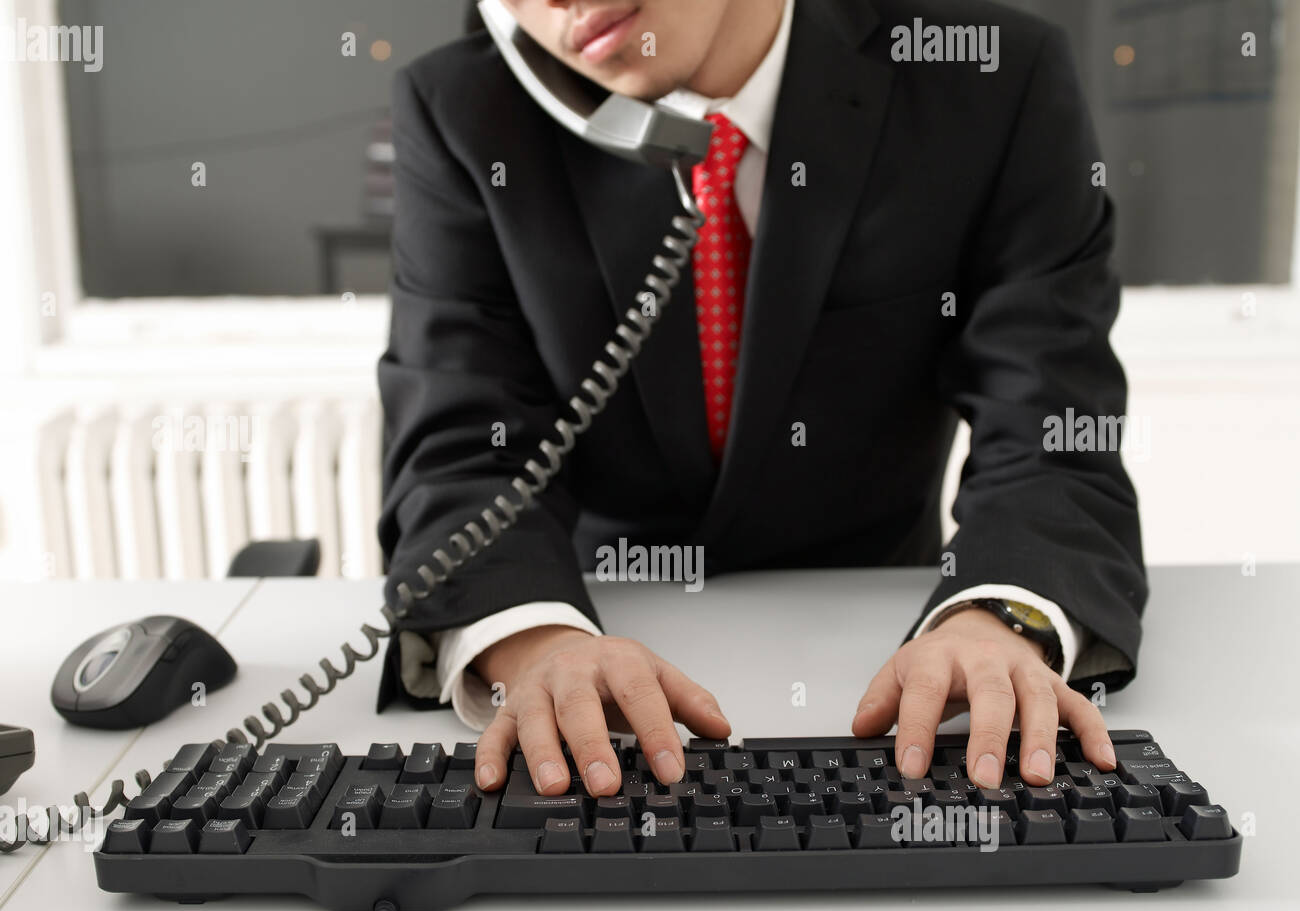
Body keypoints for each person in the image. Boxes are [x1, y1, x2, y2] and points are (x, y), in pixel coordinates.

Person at [377, 0, 1147, 804]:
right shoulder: (466, 112)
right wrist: (535, 645)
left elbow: (1051, 421)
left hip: (885, 645)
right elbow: (462, 441)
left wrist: (997, 622)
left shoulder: (989, 76)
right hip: (607, 641)